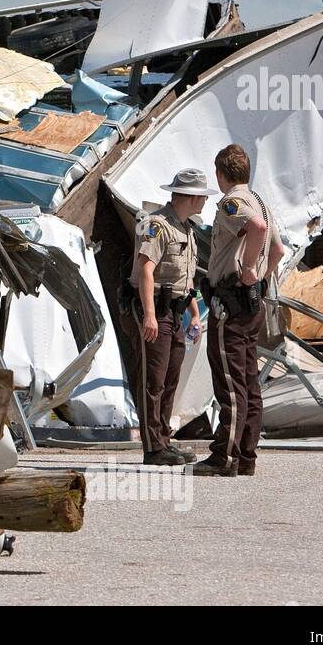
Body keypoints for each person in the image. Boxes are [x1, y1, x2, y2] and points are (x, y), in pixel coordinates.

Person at [195, 145, 286, 477]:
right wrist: (260, 276)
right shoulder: (261, 200)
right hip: (251, 303)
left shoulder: (233, 203)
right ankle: (246, 455)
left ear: (221, 174)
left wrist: (248, 269)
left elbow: (258, 229)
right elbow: (277, 248)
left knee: (230, 381)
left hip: (231, 304)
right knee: (248, 381)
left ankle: (224, 456)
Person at [120, 168, 214, 466]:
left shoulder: (187, 228)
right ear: (188, 196)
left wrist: (195, 315)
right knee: (153, 379)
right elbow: (146, 268)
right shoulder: (157, 225)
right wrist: (149, 315)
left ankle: (164, 440)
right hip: (154, 310)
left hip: (175, 311)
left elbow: (186, 280)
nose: (203, 201)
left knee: (171, 376)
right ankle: (153, 447)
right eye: (200, 196)